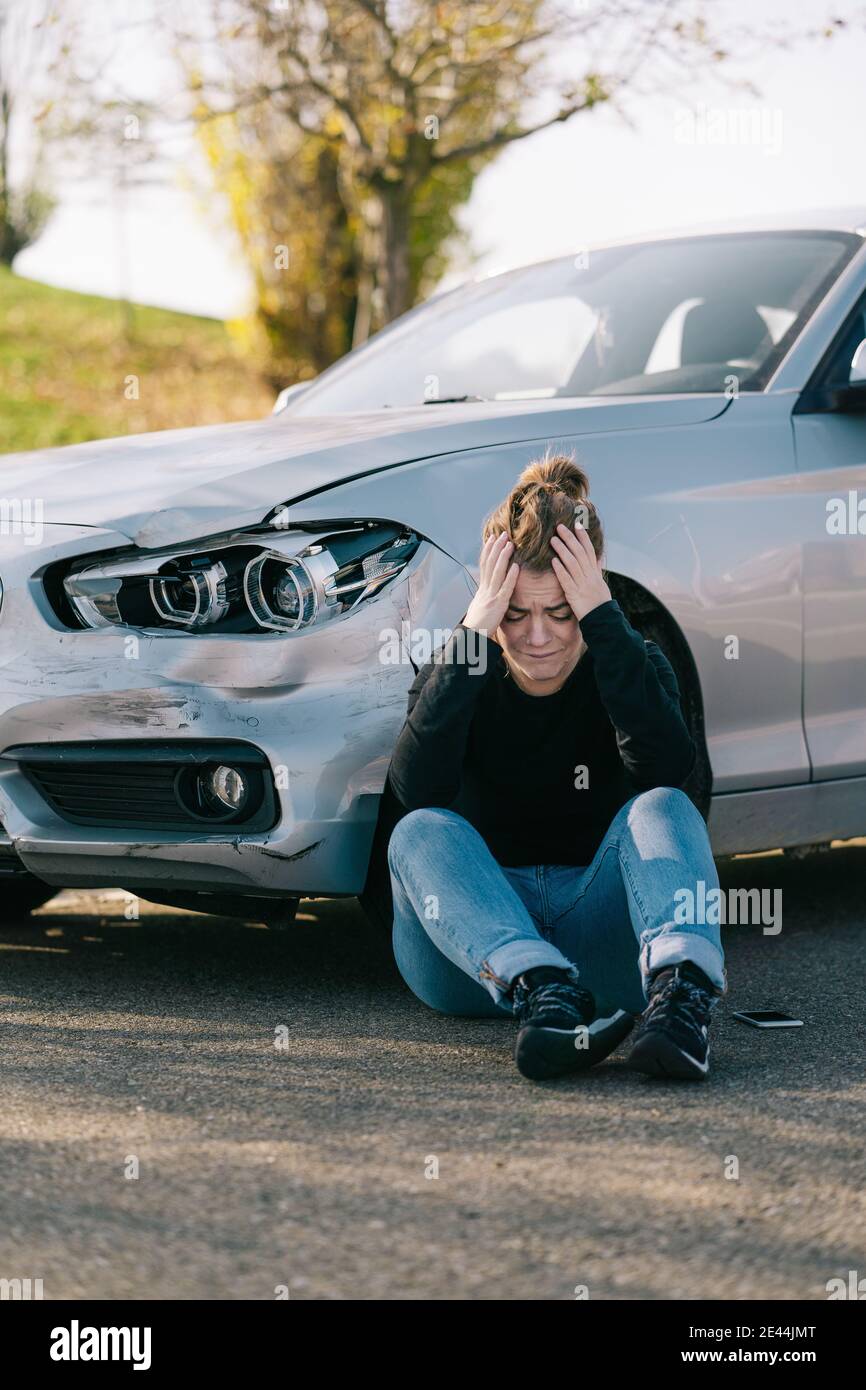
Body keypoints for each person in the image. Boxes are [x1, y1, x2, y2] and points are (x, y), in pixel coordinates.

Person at [384, 447, 727, 1082]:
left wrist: (604, 620)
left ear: (589, 596)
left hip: (602, 939)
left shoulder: (630, 660)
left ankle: (681, 1005)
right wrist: (474, 631)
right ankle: (541, 989)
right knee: (419, 830)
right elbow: (417, 790)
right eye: (515, 614)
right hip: (472, 956)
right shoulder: (461, 666)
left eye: (561, 612)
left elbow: (666, 773)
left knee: (662, 807)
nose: (537, 637)